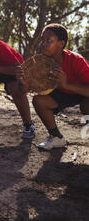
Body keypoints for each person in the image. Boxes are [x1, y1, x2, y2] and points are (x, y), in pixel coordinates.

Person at [32, 23, 89, 151]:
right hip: (63, 93)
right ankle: (57, 138)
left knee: (87, 106)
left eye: (49, 40)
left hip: (82, 91)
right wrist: (23, 81)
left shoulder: (76, 60)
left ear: (61, 43)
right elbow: (31, 87)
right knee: (38, 101)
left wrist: (67, 84)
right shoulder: (42, 62)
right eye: (43, 40)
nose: (44, 44)